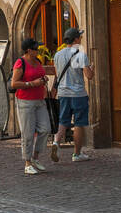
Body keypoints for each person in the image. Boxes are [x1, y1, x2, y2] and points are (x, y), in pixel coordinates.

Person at [10, 38, 51, 175]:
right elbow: (14, 84)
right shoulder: (20, 63)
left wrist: (44, 79)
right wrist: (31, 84)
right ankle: (27, 163)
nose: (38, 51)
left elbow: (41, 75)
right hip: (25, 102)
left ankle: (35, 158)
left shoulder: (38, 61)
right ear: (29, 50)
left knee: (45, 129)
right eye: (36, 49)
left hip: (40, 101)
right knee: (27, 133)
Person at [52, 26, 93, 162]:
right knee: (79, 124)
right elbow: (89, 76)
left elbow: (57, 75)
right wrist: (91, 68)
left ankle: (56, 143)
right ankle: (77, 154)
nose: (81, 38)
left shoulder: (57, 55)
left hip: (63, 93)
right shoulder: (80, 54)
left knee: (63, 121)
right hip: (78, 94)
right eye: (79, 36)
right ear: (76, 39)